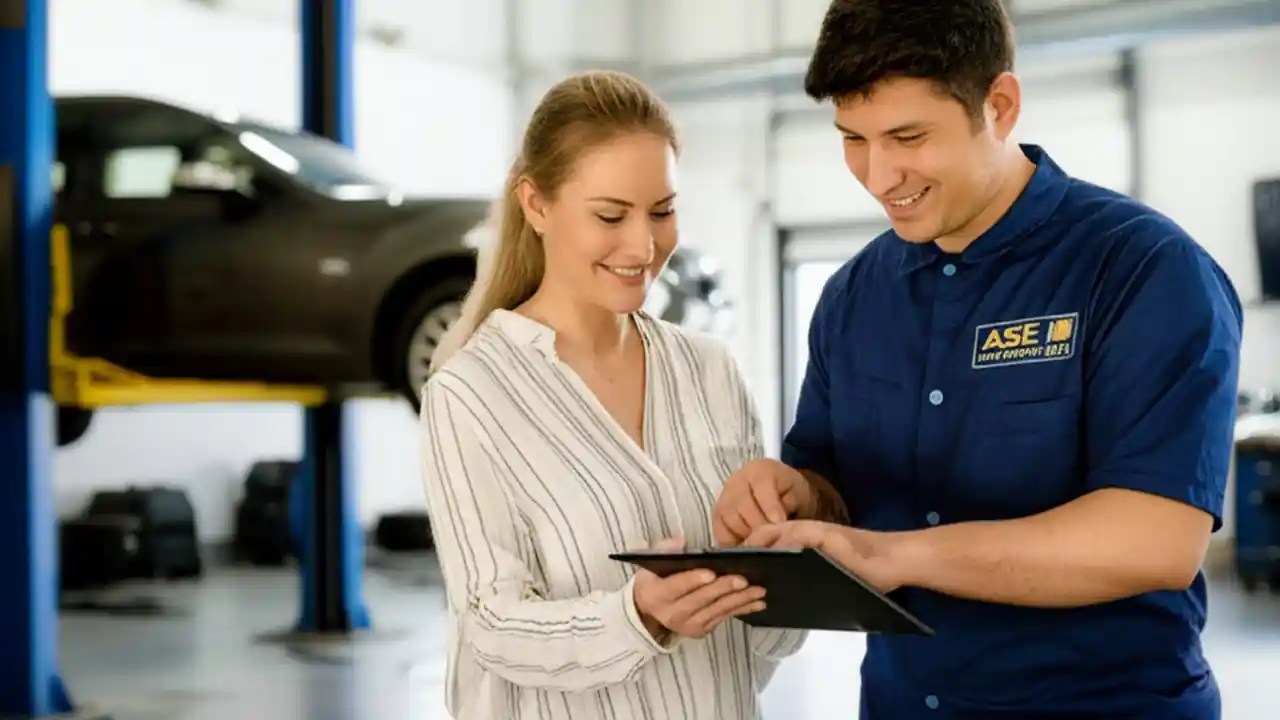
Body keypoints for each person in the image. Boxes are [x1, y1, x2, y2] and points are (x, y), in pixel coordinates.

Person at [713, 1, 1243, 718]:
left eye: (908, 136)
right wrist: (794, 496)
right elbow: (833, 488)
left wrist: (893, 555)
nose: (877, 174)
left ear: (999, 104)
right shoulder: (852, 297)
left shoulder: (1144, 269)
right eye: (853, 139)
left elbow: (1154, 540)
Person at [419, 70, 805, 720]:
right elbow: (489, 622)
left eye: (663, 211)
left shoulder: (711, 371)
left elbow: (762, 642)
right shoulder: (471, 392)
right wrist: (635, 617)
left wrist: (783, 568)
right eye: (610, 215)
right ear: (535, 205)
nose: (645, 246)